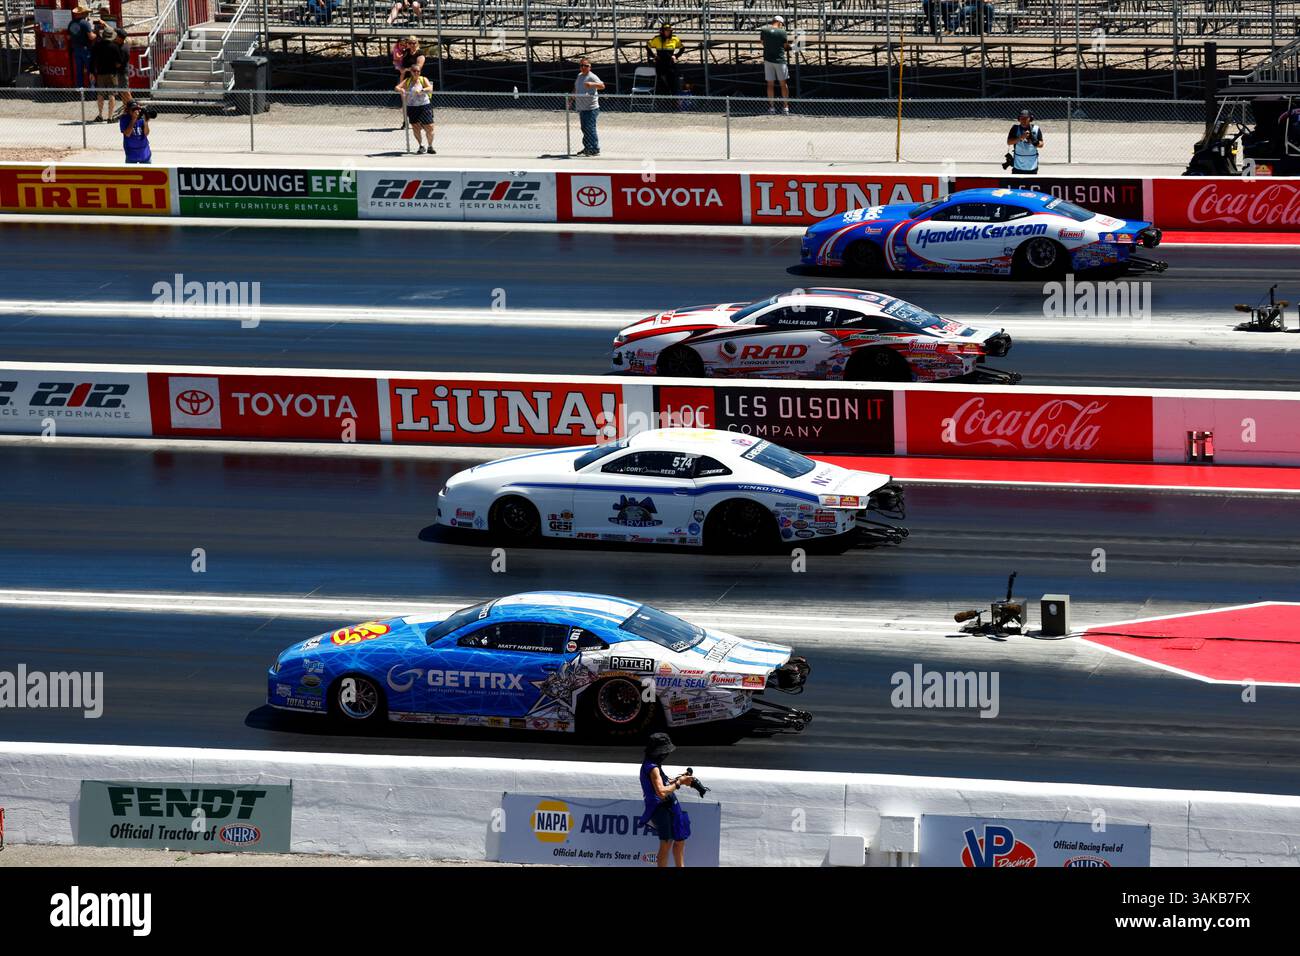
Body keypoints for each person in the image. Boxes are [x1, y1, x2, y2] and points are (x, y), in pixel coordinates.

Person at [637, 733, 692, 868]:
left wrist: (680, 778)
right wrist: (679, 783)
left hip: (668, 806)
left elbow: (664, 782)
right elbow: (661, 792)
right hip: (660, 808)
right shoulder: (653, 768)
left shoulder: (653, 764)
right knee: (666, 843)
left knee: (679, 840)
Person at [91, 27, 129, 122]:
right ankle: (110, 117)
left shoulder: (97, 45)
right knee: (111, 94)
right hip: (112, 73)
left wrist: (92, 72)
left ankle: (100, 115)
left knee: (100, 94)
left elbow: (92, 60)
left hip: (100, 73)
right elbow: (119, 62)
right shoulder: (114, 47)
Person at [569, 57, 604, 156]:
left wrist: (592, 84)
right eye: (581, 65)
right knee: (584, 128)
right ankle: (587, 147)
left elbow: (602, 86)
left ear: (590, 67)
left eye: (586, 66)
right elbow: (576, 88)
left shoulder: (592, 76)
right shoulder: (579, 76)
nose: (583, 67)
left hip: (591, 108)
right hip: (582, 107)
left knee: (590, 128)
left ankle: (595, 148)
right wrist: (571, 100)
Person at [397, 68, 435, 153]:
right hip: (412, 106)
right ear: (411, 72)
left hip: (424, 105)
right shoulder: (407, 80)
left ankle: (430, 146)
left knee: (430, 127)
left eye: (418, 71)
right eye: (414, 71)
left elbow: (430, 88)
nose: (416, 72)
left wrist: (422, 90)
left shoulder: (423, 79)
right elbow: (397, 87)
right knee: (415, 127)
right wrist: (401, 89)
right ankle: (421, 146)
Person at [646, 23, 684, 108]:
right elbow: (648, 47)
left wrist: (676, 56)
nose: (668, 32)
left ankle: (674, 104)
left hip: (670, 64)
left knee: (673, 83)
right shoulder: (657, 39)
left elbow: (682, 48)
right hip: (660, 64)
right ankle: (662, 103)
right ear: (662, 31)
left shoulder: (675, 38)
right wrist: (654, 56)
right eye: (666, 31)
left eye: (669, 31)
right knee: (661, 83)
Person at [760, 15, 791, 115]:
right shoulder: (782, 32)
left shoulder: (764, 30)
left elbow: (762, 43)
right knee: (783, 84)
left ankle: (771, 107)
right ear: (779, 22)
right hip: (780, 60)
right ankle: (785, 107)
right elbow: (785, 46)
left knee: (770, 84)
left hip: (768, 59)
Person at [1005, 108, 1043, 174]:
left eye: (1026, 118)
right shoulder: (1015, 128)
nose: (1023, 120)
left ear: (1030, 119)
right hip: (1018, 165)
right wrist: (1020, 137)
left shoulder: (1036, 129)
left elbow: (1041, 144)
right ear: (1019, 119)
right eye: (1021, 118)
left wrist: (1033, 141)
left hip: (1032, 165)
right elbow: (1009, 142)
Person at [67, 4, 96, 90]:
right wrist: (97, 34)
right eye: (86, 12)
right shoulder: (85, 23)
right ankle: (92, 87)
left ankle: (80, 88)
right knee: (90, 69)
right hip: (85, 49)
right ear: (83, 13)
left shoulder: (71, 23)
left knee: (79, 70)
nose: (87, 14)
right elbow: (91, 37)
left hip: (76, 48)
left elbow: (69, 37)